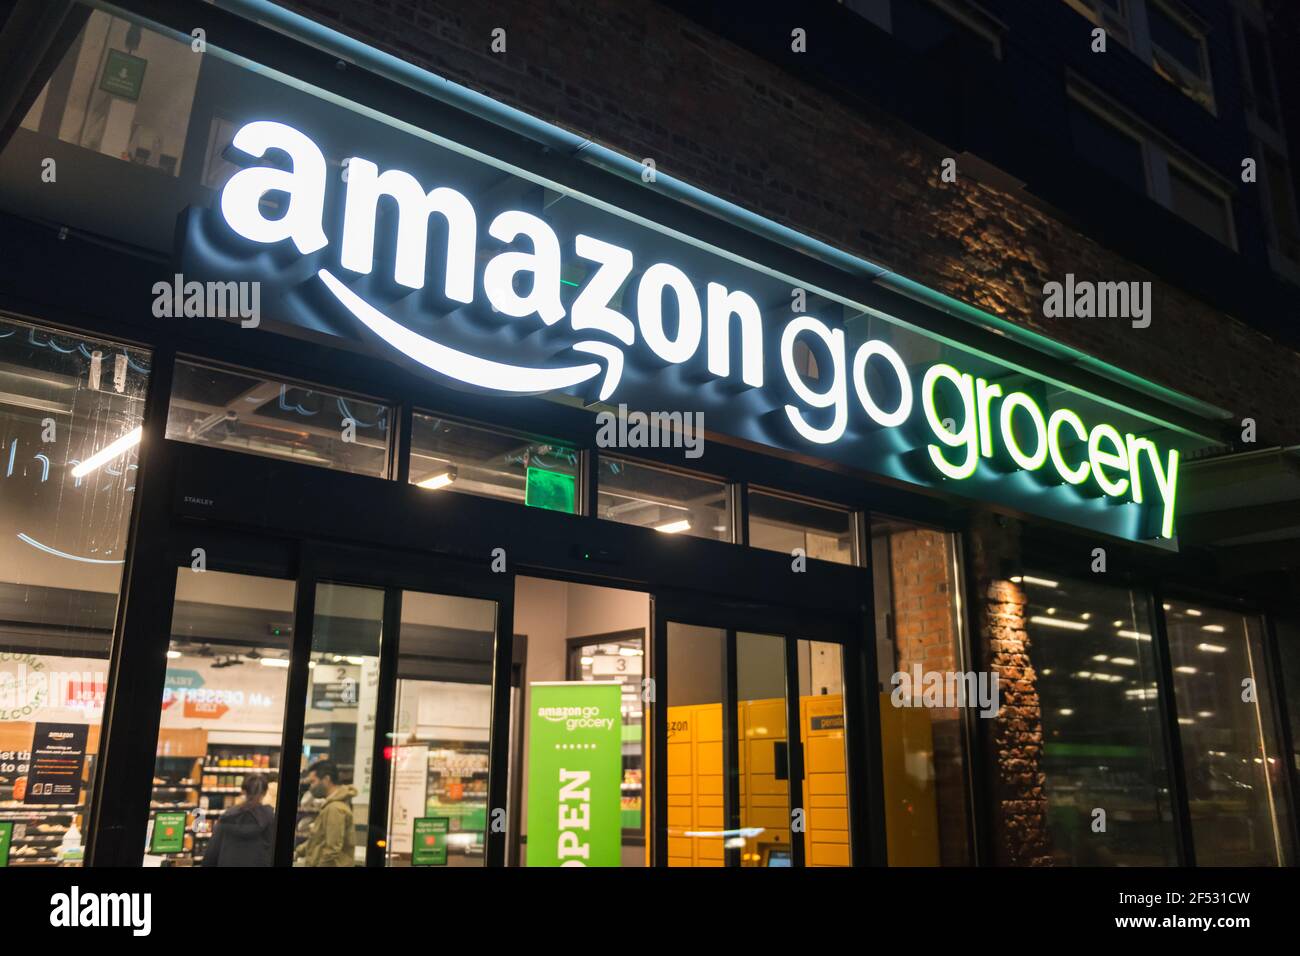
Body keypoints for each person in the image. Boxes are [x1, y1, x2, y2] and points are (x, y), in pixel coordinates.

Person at [201, 773, 274, 867]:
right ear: (264, 792)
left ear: (243, 791)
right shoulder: (270, 818)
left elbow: (211, 855)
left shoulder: (227, 817)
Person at [294, 760, 356, 867]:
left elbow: (332, 849)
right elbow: (318, 839)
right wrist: (298, 852)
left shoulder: (335, 809)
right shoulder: (331, 806)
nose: (311, 787)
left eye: (313, 782)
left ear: (326, 779)